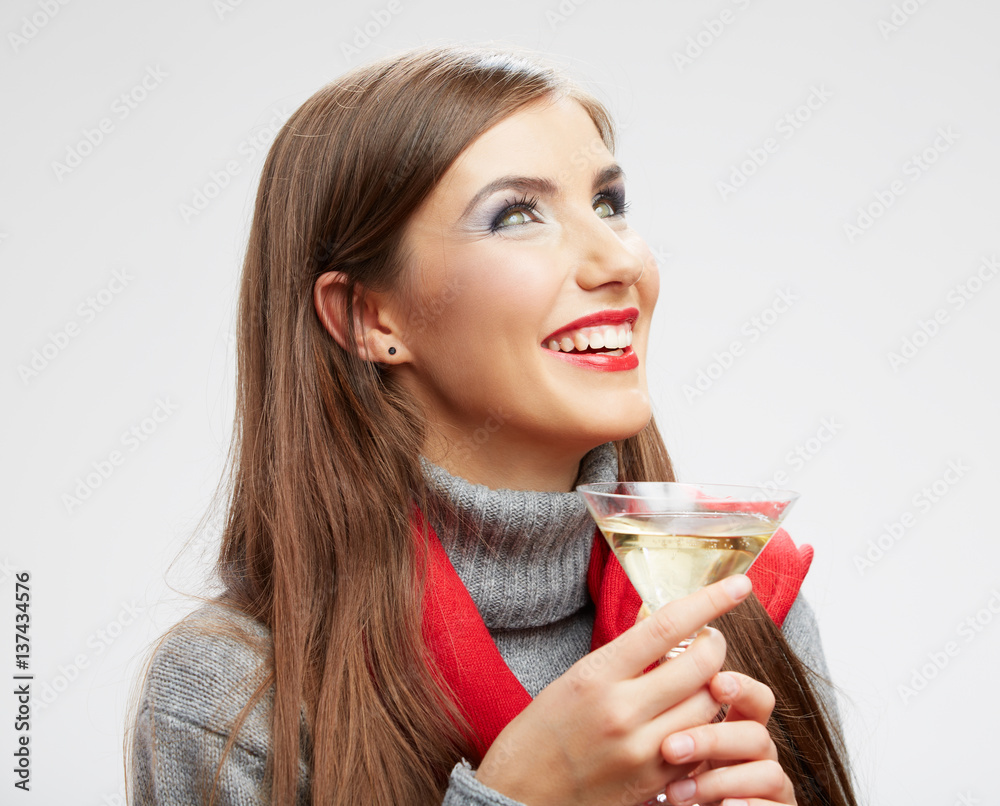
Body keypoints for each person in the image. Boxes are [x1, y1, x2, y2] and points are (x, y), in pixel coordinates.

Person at [126, 43, 857, 806]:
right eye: (517, 215)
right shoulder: (230, 693)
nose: (618, 258)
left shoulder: (743, 604)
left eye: (610, 204)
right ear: (368, 317)